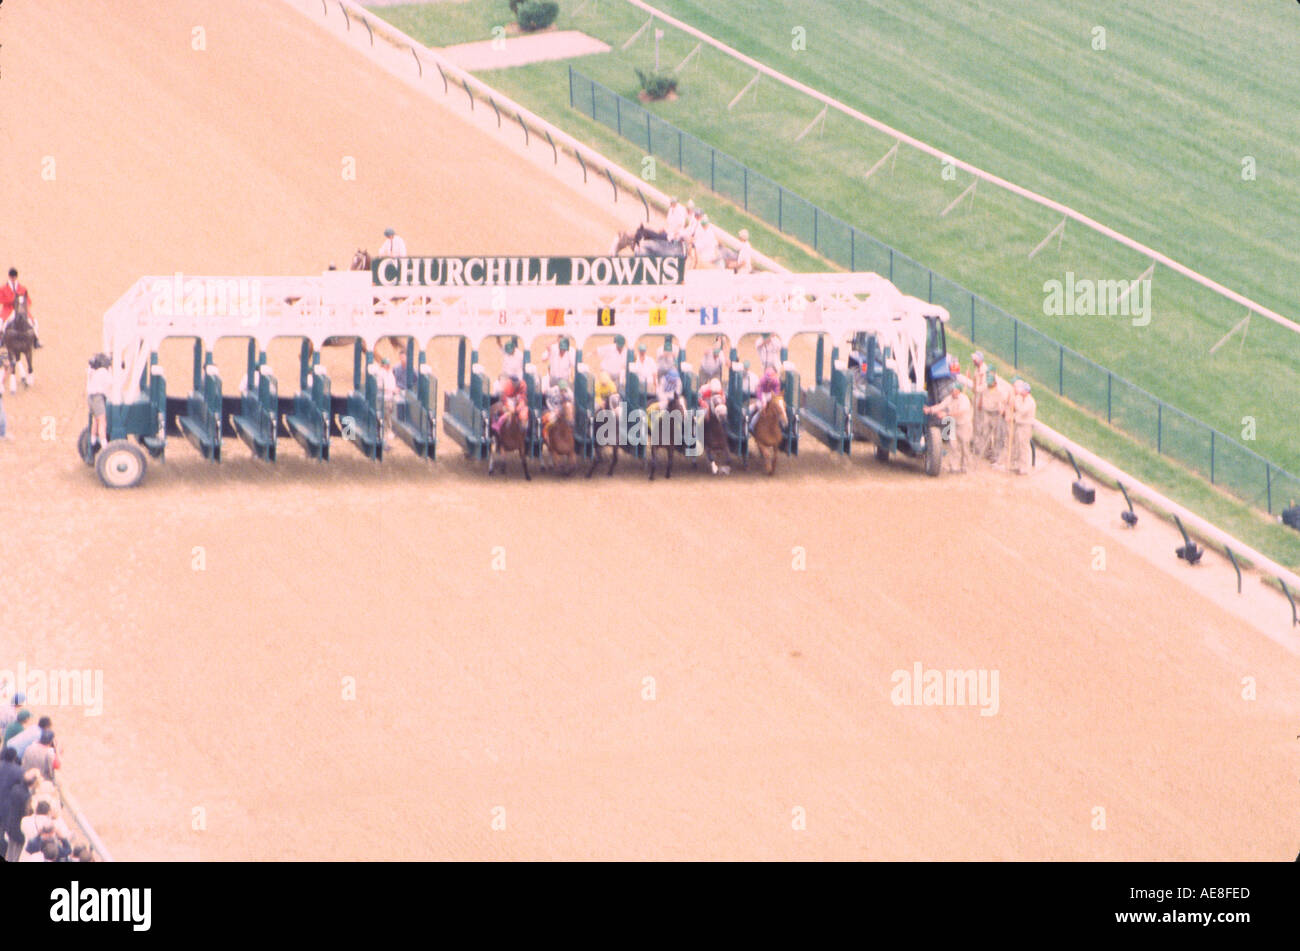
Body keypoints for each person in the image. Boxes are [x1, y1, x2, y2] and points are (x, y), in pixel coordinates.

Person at [924, 381, 973, 473]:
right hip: (954, 424)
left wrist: (946, 414)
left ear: (959, 390)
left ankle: (965, 467)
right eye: (951, 390)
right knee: (953, 446)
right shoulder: (949, 398)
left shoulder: (964, 399)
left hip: (964, 425)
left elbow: (961, 412)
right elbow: (940, 406)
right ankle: (955, 467)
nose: (952, 392)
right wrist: (930, 410)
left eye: (954, 390)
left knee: (964, 446)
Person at [3, 769, 38, 862]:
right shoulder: (27, 797)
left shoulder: (16, 788)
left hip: (11, 826)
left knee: (9, 854)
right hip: (19, 830)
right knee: (16, 856)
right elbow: (26, 813)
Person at [0, 268, 37, 346]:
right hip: (8, 310)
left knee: (33, 322)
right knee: (0, 323)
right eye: (11, 277)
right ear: (9, 277)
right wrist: (11, 301)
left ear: (16, 277)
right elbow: (1, 299)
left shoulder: (23, 288)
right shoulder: (3, 288)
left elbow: (28, 300)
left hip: (20, 310)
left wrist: (24, 306)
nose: (13, 279)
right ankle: (1, 339)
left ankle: (36, 339)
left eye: (14, 277)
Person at [86, 353, 113, 454]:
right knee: (102, 421)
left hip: (90, 397)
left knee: (95, 420)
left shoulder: (91, 370)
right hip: (97, 397)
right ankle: (104, 445)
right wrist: (110, 370)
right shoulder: (103, 372)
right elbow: (110, 383)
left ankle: (93, 440)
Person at [1010, 380, 1037, 474]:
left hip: (1025, 426)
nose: (1020, 391)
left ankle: (1024, 468)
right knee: (1017, 444)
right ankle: (1017, 465)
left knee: (1023, 446)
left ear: (1027, 392)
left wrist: (1015, 403)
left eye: (1023, 390)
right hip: (1018, 424)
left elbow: (1021, 410)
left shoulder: (1030, 402)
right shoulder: (1019, 398)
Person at [749, 366, 782, 433]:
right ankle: (751, 425)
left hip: (770, 393)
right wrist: (762, 401)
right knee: (761, 409)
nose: (769, 381)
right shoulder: (762, 380)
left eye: (771, 380)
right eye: (768, 379)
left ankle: (780, 426)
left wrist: (775, 398)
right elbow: (759, 391)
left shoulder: (776, 381)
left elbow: (776, 391)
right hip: (762, 393)